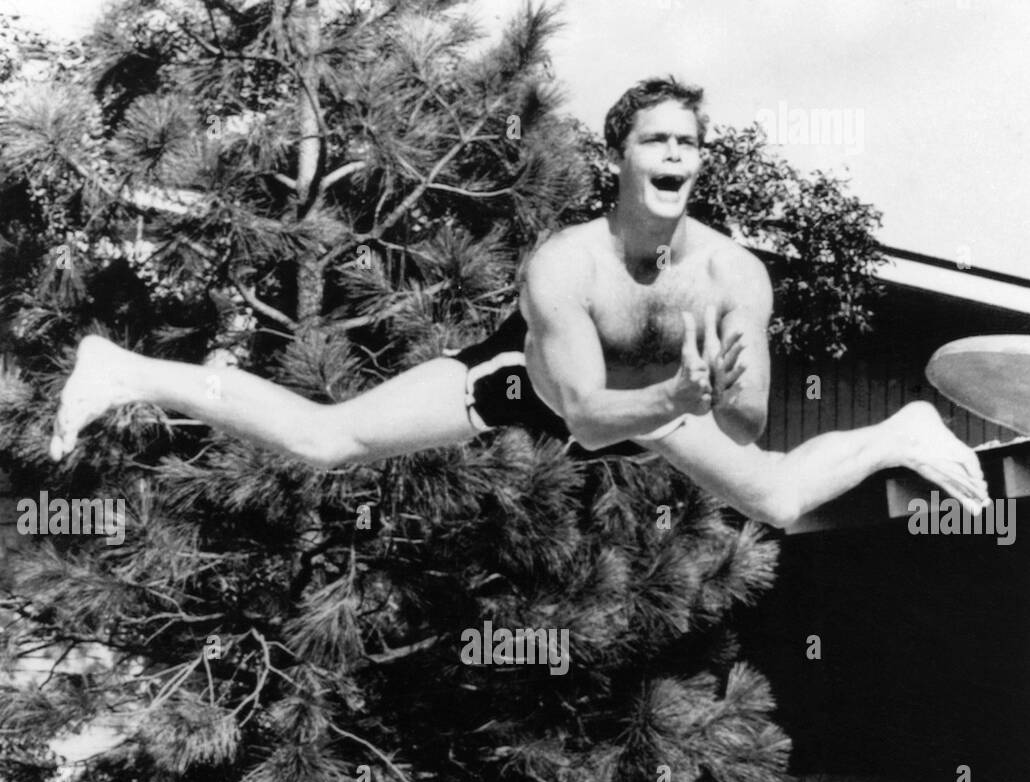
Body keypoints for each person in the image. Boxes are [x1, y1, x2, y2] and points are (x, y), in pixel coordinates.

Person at [49, 79, 988, 530]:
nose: (675, 156)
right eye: (655, 139)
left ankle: (900, 426)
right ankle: (124, 370)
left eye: (689, 144)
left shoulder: (735, 276)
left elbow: (743, 427)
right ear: (619, 154)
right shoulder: (564, 267)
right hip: (530, 390)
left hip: (659, 403)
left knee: (780, 498)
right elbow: (580, 419)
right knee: (325, 439)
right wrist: (678, 398)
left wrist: (718, 392)